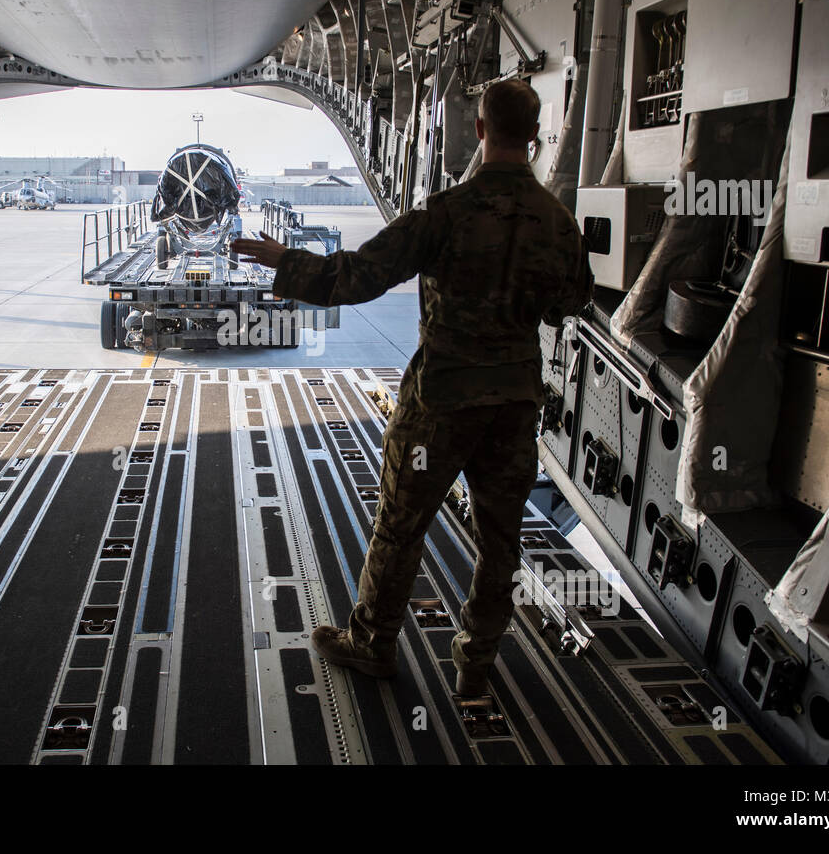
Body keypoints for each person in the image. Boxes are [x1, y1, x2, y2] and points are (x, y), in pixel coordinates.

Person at [230, 79, 593, 696]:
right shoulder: (558, 223)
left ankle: (373, 644)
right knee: (502, 539)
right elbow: (573, 300)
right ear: (535, 137)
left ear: (479, 131)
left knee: (401, 523)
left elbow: (357, 277)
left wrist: (280, 259)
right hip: (512, 404)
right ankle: (476, 660)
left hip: (442, 404)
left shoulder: (447, 213)